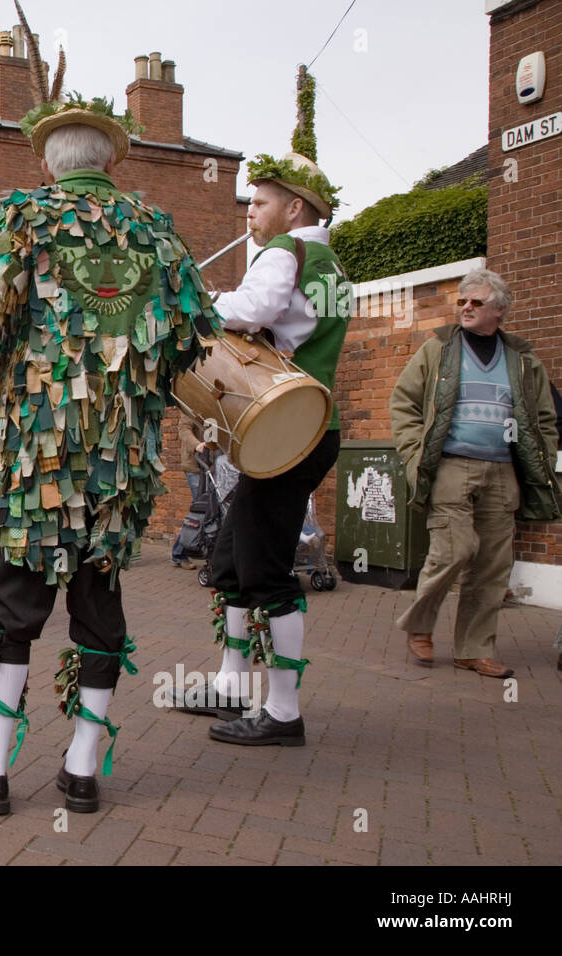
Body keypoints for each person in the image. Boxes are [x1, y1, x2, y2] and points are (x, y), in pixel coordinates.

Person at [0, 15, 214, 816]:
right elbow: (194, 336)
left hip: (38, 448)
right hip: (120, 458)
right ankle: (84, 771)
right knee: (99, 597)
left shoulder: (23, 219)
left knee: (18, 599)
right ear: (108, 164)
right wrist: (138, 383)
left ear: (51, 163)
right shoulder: (158, 233)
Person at [168, 147, 349, 748]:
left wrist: (202, 304)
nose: (251, 210)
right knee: (230, 560)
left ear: (294, 207)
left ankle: (283, 711)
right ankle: (231, 681)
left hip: (288, 432)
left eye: (261, 200)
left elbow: (254, 310)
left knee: (267, 571)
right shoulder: (329, 263)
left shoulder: (285, 251)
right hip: (303, 428)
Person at [391, 268, 560, 677]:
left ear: (499, 310)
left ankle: (474, 649)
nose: (466, 308)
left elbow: (544, 418)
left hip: (504, 472)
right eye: (463, 301)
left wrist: (541, 456)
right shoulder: (437, 351)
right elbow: (403, 404)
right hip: (450, 465)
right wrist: (416, 456)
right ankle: (419, 624)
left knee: (492, 565)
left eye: (477, 302)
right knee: (455, 549)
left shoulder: (523, 360)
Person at [170, 417, 211, 569]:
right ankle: (179, 554)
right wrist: (197, 445)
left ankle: (185, 552)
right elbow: (184, 430)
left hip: (211, 465)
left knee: (210, 511)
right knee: (200, 511)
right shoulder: (190, 405)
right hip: (195, 466)